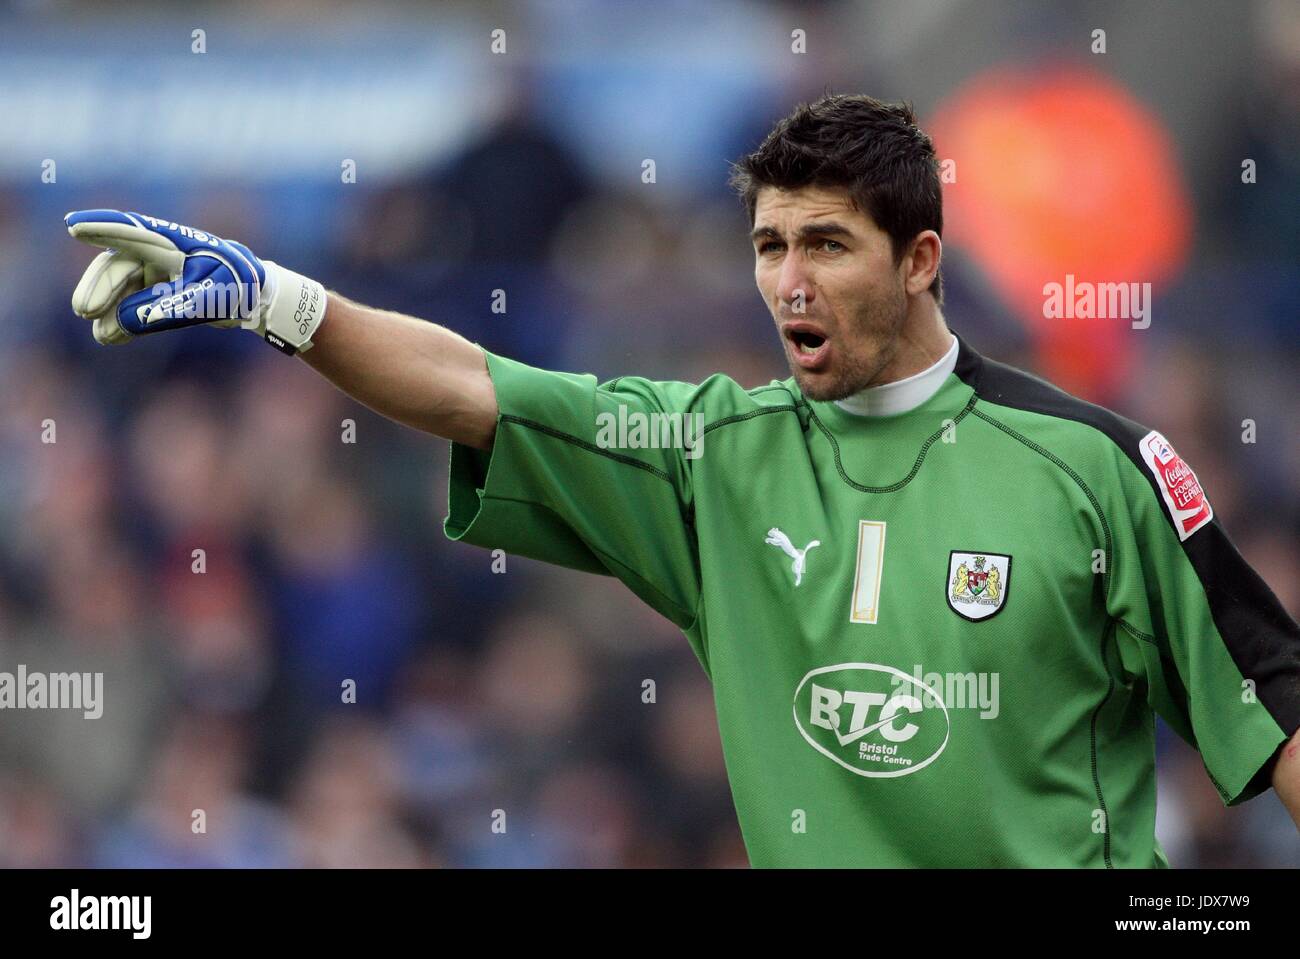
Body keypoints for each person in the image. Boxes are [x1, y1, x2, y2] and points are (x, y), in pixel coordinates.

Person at [64, 93, 1300, 867]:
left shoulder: (1096, 468)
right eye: (769, 246)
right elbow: (475, 385)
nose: (788, 283)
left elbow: (1276, 716)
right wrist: (286, 303)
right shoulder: (714, 448)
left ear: (921, 259)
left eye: (826, 243)